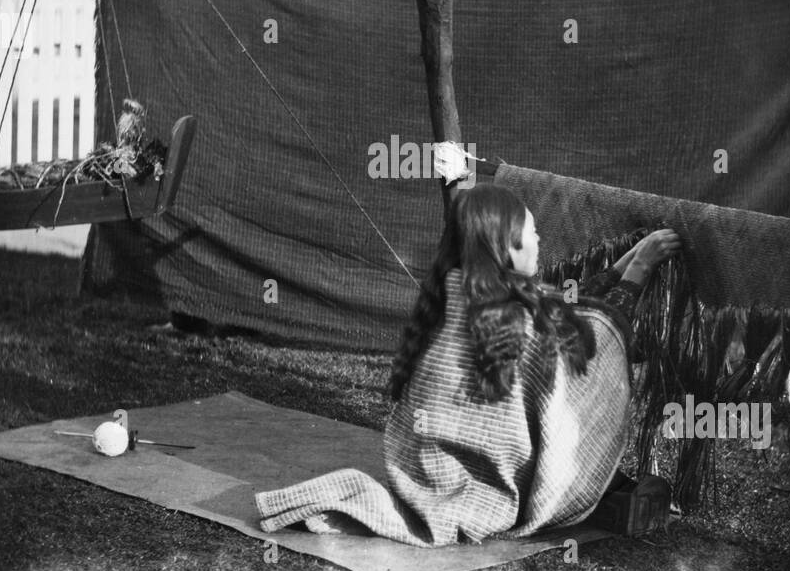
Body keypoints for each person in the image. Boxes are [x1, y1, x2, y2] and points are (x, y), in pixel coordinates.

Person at [254, 183, 682, 545]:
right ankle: (608, 492)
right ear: (507, 247)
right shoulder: (518, 319)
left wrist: (617, 271)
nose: (539, 242)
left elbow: (564, 311)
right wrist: (639, 272)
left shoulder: (448, 302)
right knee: (576, 414)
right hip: (490, 495)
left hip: (423, 474)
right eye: (532, 233)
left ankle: (614, 492)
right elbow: (593, 344)